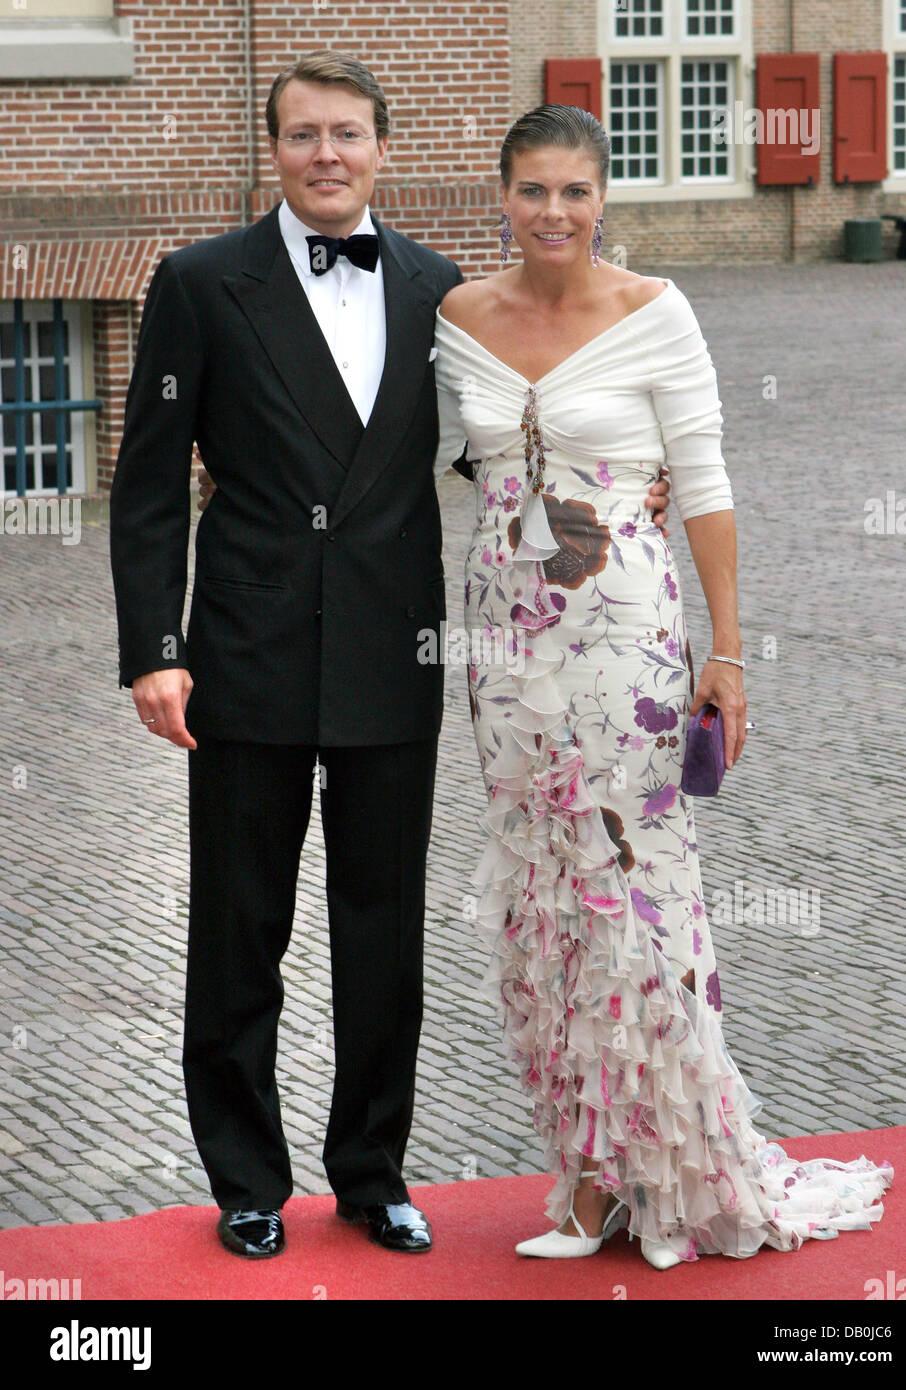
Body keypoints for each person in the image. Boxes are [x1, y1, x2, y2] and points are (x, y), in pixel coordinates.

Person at [109, 51, 674, 1260]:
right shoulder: (201, 283)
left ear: (383, 149)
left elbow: (501, 447)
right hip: (244, 657)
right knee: (237, 924)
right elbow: (149, 484)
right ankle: (248, 1181)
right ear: (275, 149)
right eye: (304, 134)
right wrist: (155, 648)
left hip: (391, 652)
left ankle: (372, 1173)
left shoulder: (442, 290)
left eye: (348, 134)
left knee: (383, 927)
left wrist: (612, 503)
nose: (327, 154)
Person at [431, 104, 894, 1266]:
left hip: (624, 640)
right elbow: (459, 462)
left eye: (574, 193)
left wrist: (725, 655)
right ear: (502, 196)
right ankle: (587, 1178)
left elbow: (704, 483)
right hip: (502, 650)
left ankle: (675, 1161)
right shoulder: (458, 318)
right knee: (546, 895)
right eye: (532, 191)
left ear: (605, 201)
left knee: (633, 890)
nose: (553, 213)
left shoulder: (657, 314)